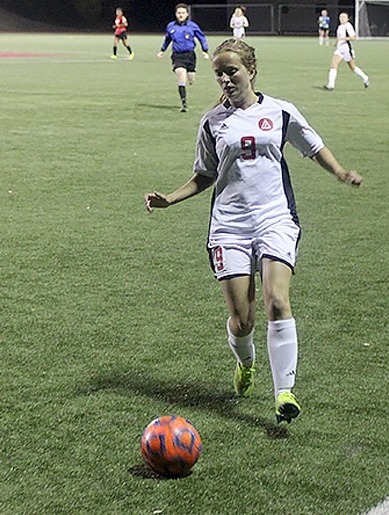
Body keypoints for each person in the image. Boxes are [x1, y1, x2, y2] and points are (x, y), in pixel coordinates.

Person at [144, 39, 362, 424]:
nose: (226, 80)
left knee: (277, 300)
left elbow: (313, 147)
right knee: (243, 320)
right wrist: (171, 199)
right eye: (219, 74)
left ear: (251, 70)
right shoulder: (212, 122)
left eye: (232, 71)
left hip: (275, 218)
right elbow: (205, 175)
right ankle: (246, 362)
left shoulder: (280, 112)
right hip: (229, 226)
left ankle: (284, 393)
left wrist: (341, 172)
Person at [157, 3, 210, 113]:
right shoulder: (171, 26)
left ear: (187, 14)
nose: (180, 15)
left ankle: (190, 77)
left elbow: (201, 38)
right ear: (175, 14)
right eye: (178, 13)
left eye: (183, 13)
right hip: (177, 56)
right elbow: (167, 39)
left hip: (190, 56)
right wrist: (162, 50)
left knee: (191, 79)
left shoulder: (192, 26)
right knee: (181, 76)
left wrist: (205, 50)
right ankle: (184, 104)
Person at [324, 12, 369, 90]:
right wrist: (336, 43)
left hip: (347, 49)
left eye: (344, 17)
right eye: (340, 17)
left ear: (347, 19)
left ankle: (365, 78)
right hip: (339, 49)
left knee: (352, 67)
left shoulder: (348, 26)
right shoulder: (340, 27)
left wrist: (343, 39)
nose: (342, 18)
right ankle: (331, 85)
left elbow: (353, 37)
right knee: (333, 64)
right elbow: (339, 37)